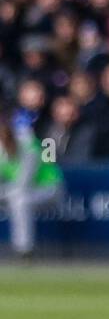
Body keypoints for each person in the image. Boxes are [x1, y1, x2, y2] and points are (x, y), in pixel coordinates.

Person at [0, 108, 64, 259]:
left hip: (49, 189)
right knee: (17, 197)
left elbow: (23, 184)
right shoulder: (1, 147)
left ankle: (24, 250)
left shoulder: (28, 145)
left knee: (20, 200)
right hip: (21, 190)